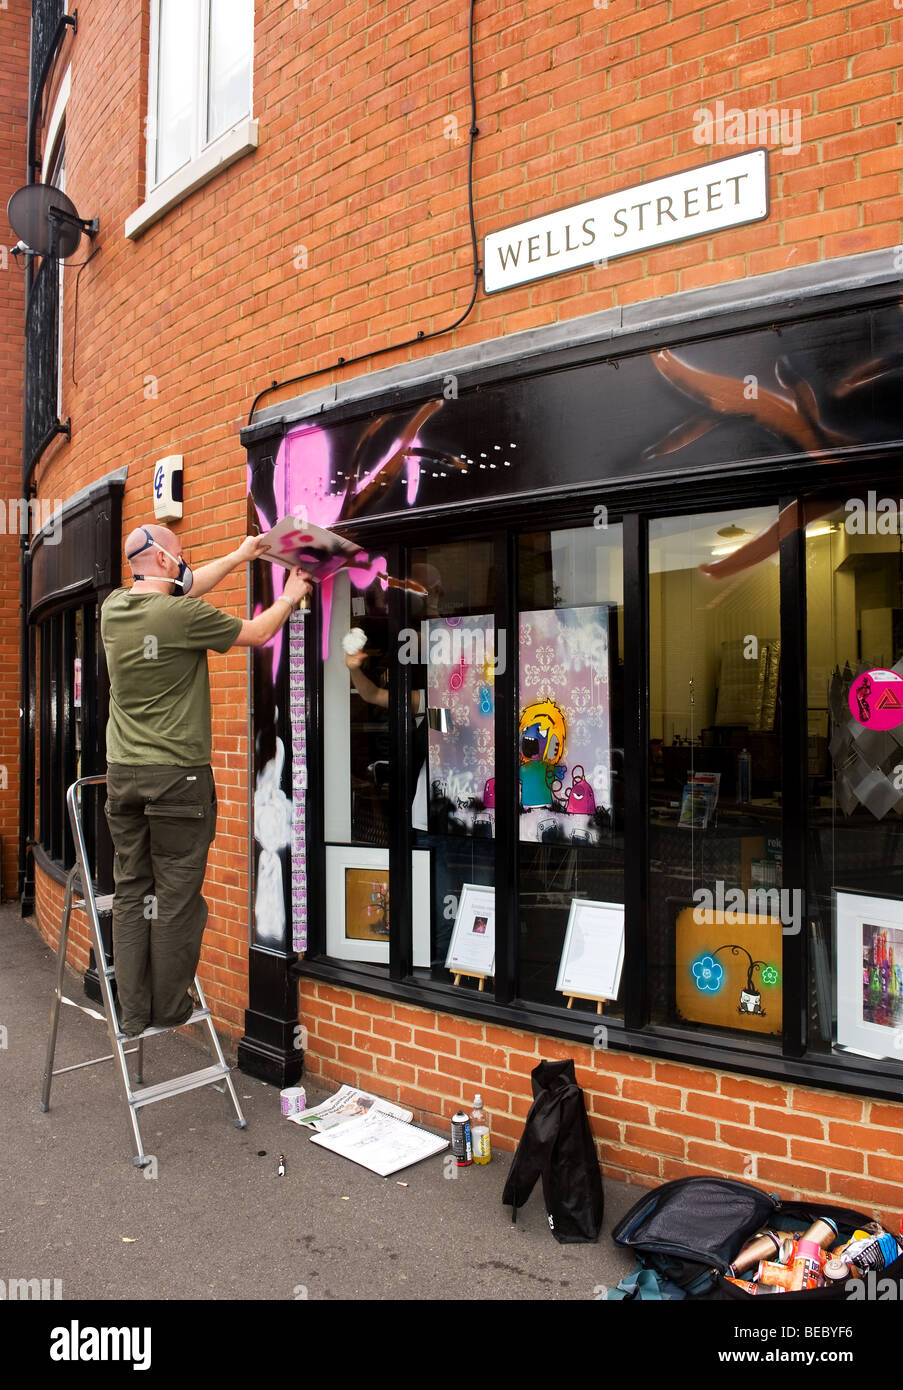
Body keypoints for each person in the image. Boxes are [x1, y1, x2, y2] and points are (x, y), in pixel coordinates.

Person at [99, 522, 311, 1037]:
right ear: (168, 564)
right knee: (175, 898)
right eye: (182, 555)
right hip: (177, 781)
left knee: (132, 893)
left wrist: (240, 555)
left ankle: (131, 1013)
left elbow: (185, 587)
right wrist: (289, 596)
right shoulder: (182, 616)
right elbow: (259, 634)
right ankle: (168, 1009)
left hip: (123, 777)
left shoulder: (113, 608)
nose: (187, 561)